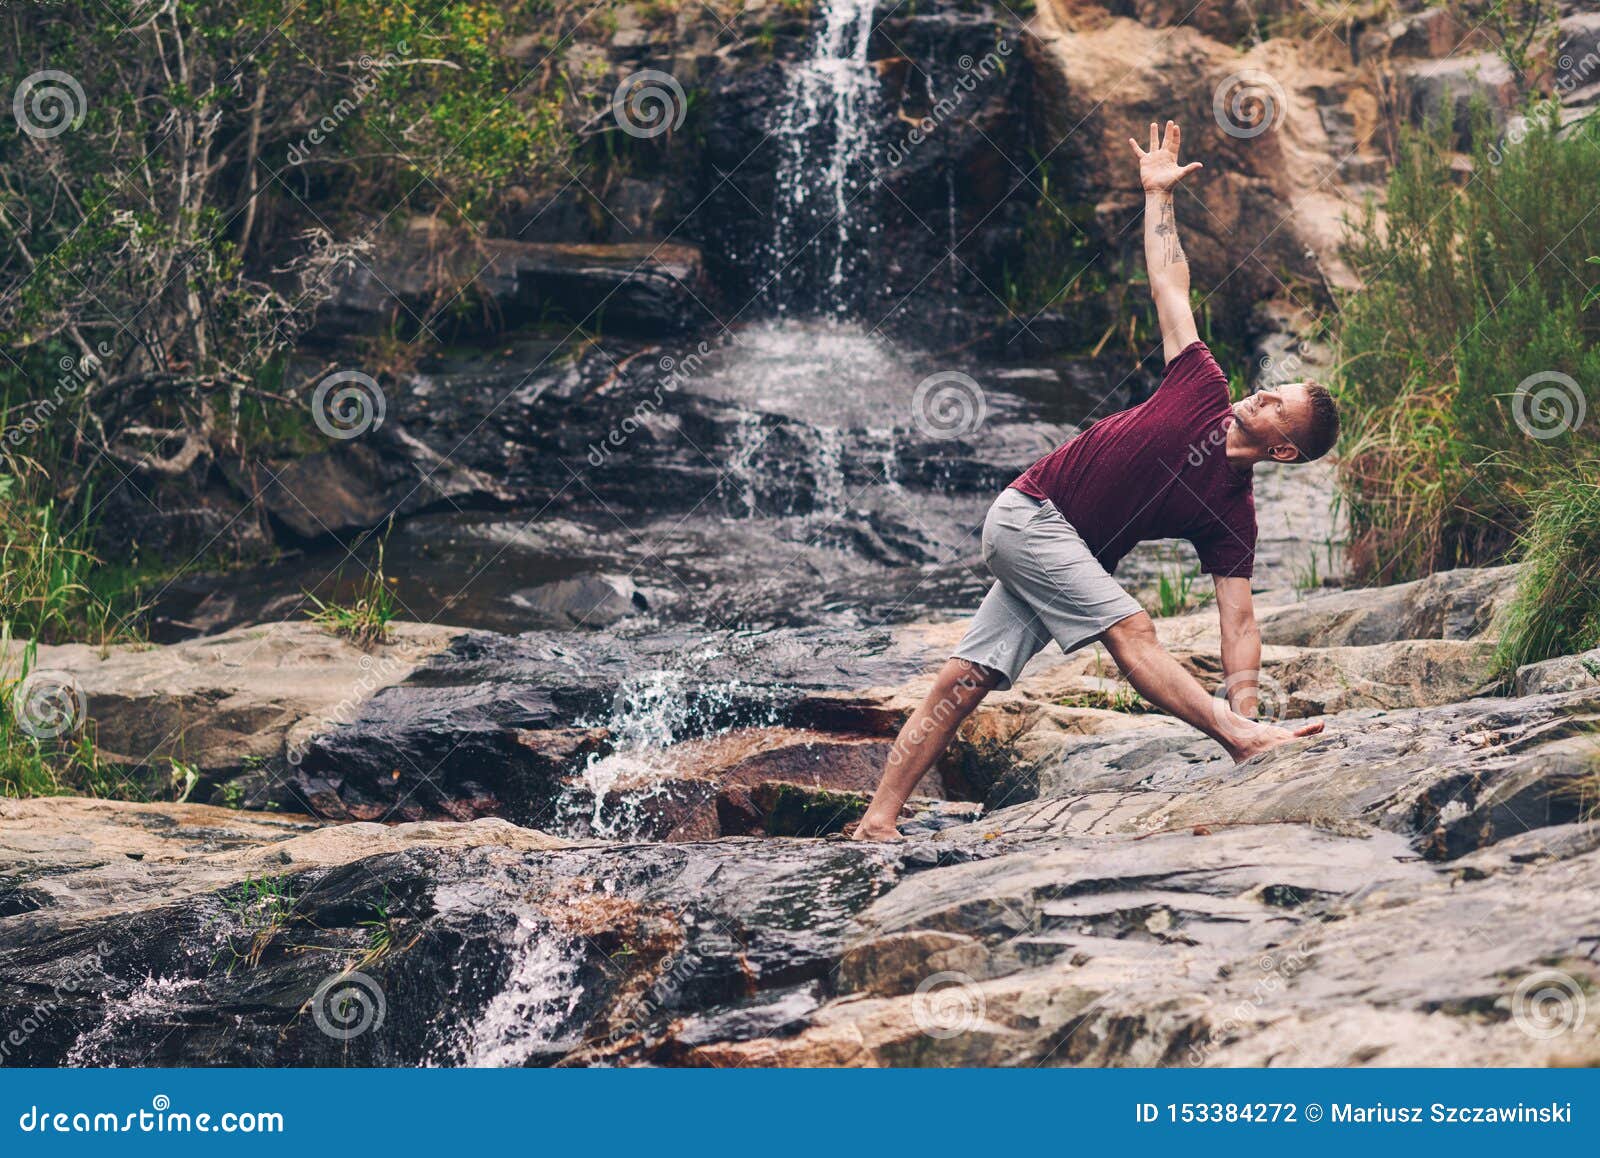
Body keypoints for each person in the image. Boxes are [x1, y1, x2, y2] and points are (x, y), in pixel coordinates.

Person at [853, 121, 1338, 841]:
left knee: (962, 684)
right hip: (1028, 515)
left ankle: (876, 819)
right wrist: (1158, 199)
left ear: (1284, 453)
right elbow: (1171, 284)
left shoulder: (1233, 512)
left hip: (1061, 554)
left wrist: (1250, 706)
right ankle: (1232, 740)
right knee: (1133, 628)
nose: (1263, 395)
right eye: (1272, 389)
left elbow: (1239, 620)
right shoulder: (1202, 383)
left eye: (1277, 407)